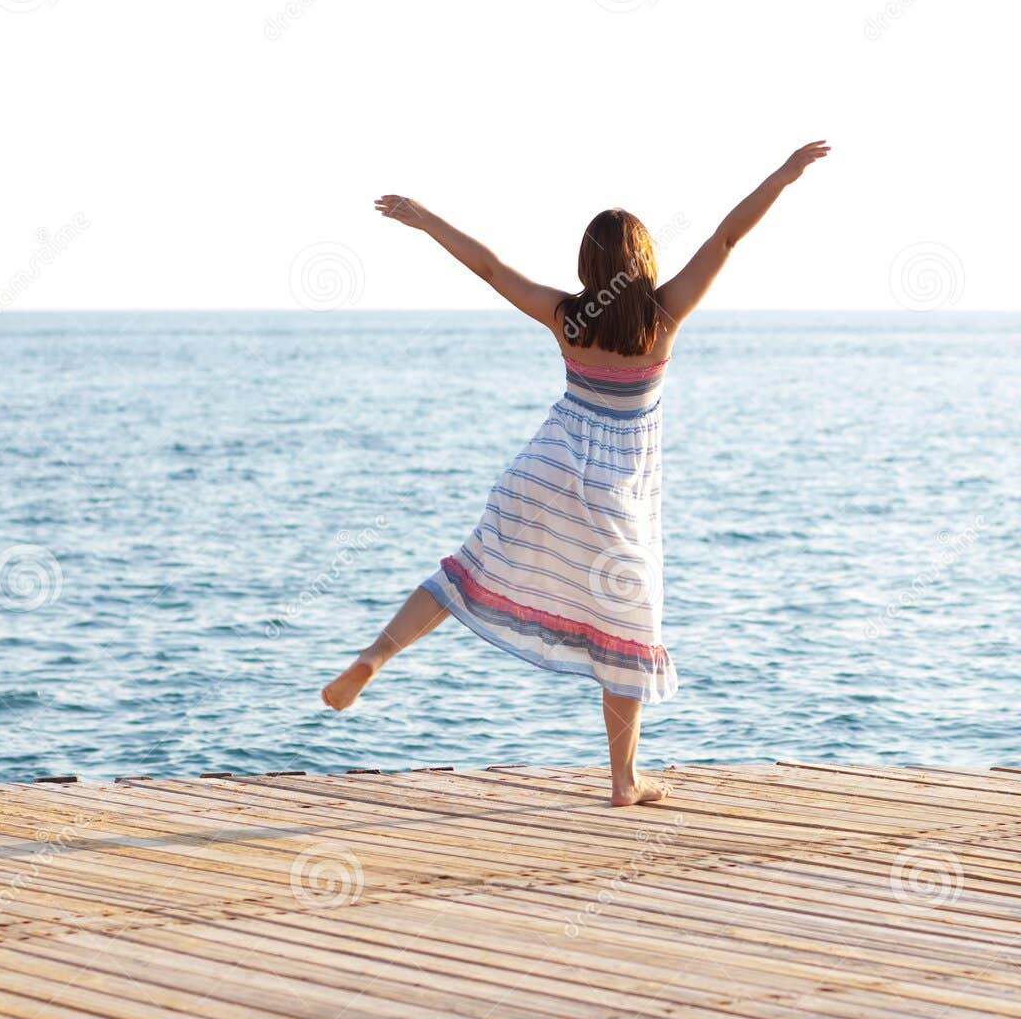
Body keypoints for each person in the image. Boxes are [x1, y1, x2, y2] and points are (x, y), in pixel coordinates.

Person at [322, 142, 830, 805]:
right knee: (628, 629)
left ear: (587, 264)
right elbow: (727, 236)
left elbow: (489, 267)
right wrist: (784, 176)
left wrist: (424, 217)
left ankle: (376, 656)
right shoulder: (664, 315)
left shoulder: (567, 316)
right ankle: (625, 780)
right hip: (616, 493)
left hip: (544, 467)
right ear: (643, 261)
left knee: (464, 571)